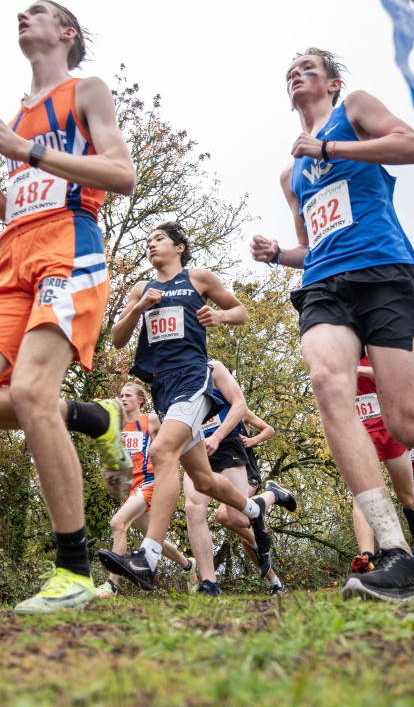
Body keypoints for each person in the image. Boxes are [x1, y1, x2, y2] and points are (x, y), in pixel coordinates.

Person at [249, 48, 414, 603]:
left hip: (381, 272)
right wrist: (279, 253)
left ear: (331, 83)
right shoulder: (292, 173)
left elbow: (413, 147)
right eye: (290, 72)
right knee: (329, 382)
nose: (296, 75)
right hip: (325, 284)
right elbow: (313, 245)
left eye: (308, 68)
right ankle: (396, 553)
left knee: (405, 425)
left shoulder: (351, 110)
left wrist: (328, 145)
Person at [0, 0, 138, 613]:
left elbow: (120, 175)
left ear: (66, 33)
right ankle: (93, 418)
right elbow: (31, 204)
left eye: (40, 12)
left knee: (28, 393)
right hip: (10, 260)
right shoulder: (20, 112)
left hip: (68, 252)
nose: (23, 14)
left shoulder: (86, 90)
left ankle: (73, 571)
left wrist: (26, 153)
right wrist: (0, 194)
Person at [98, 223, 281, 590]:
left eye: (158, 239)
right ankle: (254, 510)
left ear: (179, 246)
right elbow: (117, 339)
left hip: (193, 378)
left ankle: (147, 557)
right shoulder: (141, 288)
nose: (150, 245)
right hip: (162, 386)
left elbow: (240, 311)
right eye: (147, 241)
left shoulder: (198, 278)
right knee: (203, 479)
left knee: (162, 451)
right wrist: (138, 307)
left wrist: (220, 316)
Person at [187, 360, 295, 597]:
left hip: (243, 466)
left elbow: (269, 429)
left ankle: (273, 494)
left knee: (229, 515)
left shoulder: (238, 408)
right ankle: (262, 562)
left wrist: (251, 440)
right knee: (222, 517)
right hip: (205, 451)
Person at [349, 358, 414, 584]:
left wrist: (354, 369)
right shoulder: (336, 342)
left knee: (406, 498)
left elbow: (388, 372)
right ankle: (367, 560)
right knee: (361, 495)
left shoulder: (372, 340)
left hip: (387, 423)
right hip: (359, 426)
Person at [95, 384, 196, 598]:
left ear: (140, 400)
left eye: (128, 395)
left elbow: (173, 440)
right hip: (129, 489)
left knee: (118, 523)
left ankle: (110, 587)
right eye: (121, 395)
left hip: (150, 481)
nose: (122, 398)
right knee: (153, 537)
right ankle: (188, 566)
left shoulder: (151, 420)